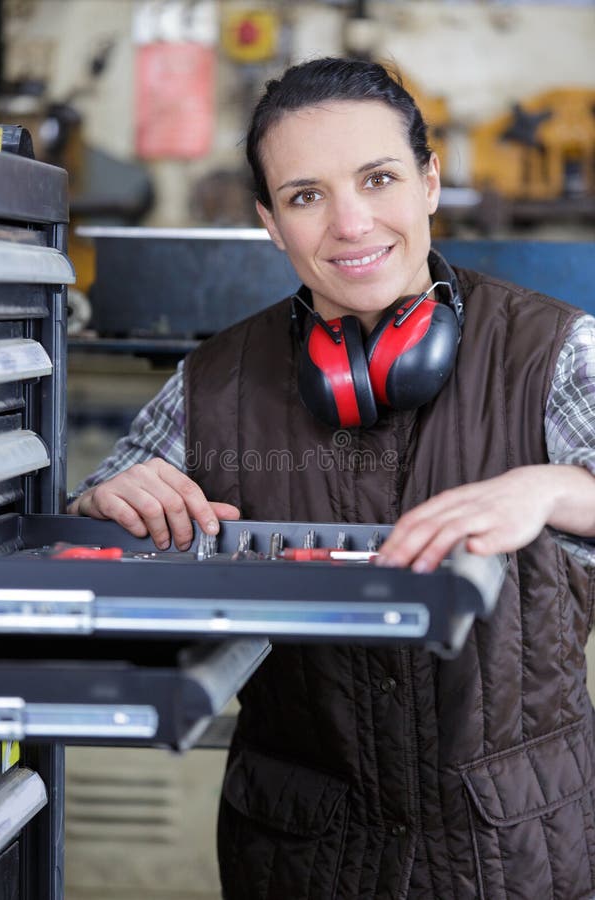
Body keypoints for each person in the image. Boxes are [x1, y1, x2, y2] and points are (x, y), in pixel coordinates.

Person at [69, 58, 595, 898]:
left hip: (518, 852)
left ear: (428, 183)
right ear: (271, 223)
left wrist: (549, 488)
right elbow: (95, 527)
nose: (351, 224)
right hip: (300, 855)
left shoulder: (552, 351)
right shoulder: (214, 379)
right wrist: (103, 507)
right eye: (307, 196)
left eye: (378, 179)